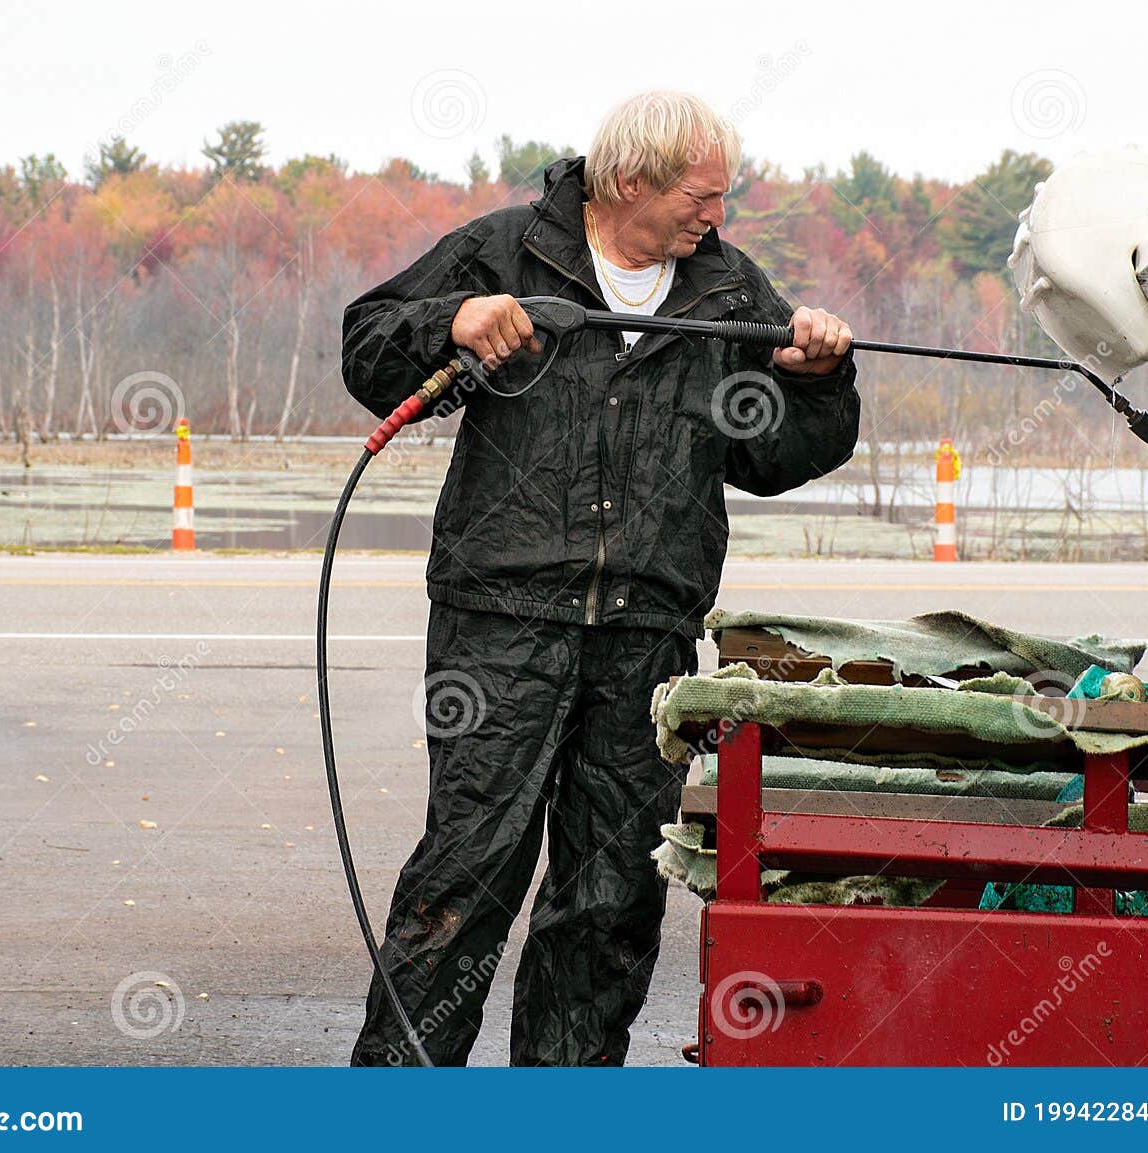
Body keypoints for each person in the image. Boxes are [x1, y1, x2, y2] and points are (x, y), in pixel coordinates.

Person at [341, 90, 859, 1066]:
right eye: (701, 198)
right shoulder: (505, 253)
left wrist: (816, 379)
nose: (716, 217)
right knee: (466, 876)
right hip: (499, 624)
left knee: (609, 896)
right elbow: (367, 345)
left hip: (647, 637)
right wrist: (454, 318)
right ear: (629, 181)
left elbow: (777, 457)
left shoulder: (729, 292)